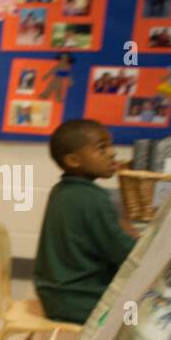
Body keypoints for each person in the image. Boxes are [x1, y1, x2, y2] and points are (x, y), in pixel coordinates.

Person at [34, 120, 135, 325]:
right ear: (73, 160)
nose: (112, 153)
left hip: (54, 293)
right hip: (77, 299)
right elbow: (126, 256)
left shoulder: (61, 189)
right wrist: (135, 238)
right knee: (146, 309)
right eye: (102, 148)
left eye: (110, 146)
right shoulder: (94, 199)